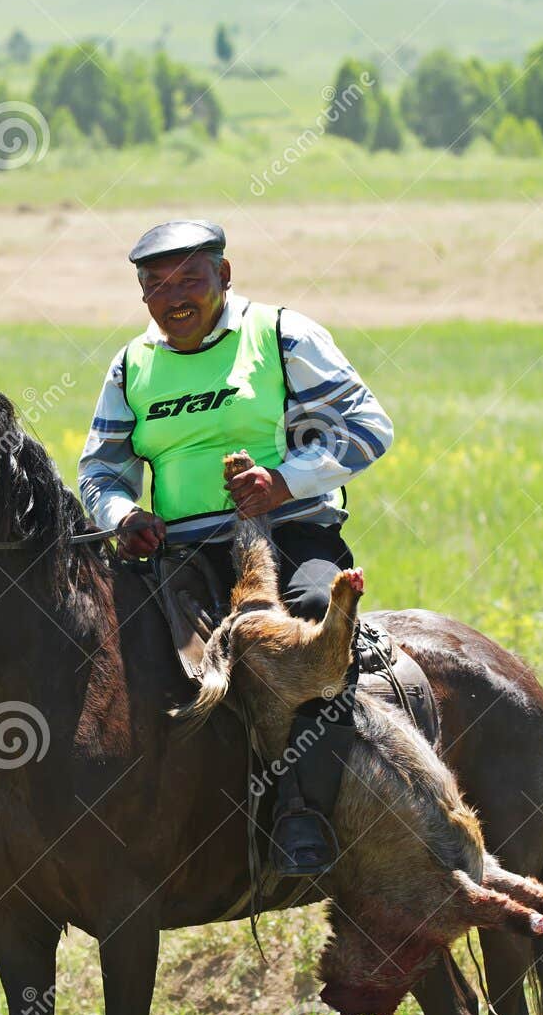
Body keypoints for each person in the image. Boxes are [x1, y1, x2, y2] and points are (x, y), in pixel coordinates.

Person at [78, 219, 393, 875]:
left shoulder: (280, 336)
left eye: (190, 279)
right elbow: (101, 471)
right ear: (142, 297)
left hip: (288, 537)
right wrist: (122, 514)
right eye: (155, 285)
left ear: (224, 276)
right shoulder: (132, 363)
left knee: (308, 619)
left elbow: (368, 427)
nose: (174, 297)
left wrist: (283, 481)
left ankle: (303, 814)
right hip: (179, 555)